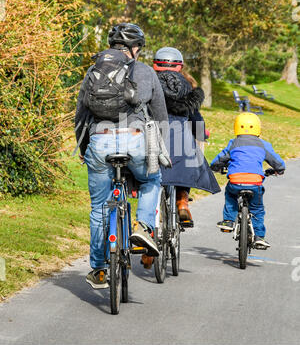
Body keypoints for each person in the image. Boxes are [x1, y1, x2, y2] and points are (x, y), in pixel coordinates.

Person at [75, 23, 169, 288]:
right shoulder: (146, 71)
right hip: (136, 140)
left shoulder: (93, 71)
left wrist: (85, 150)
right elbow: (160, 115)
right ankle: (144, 227)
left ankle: (100, 268)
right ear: (135, 48)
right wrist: (161, 149)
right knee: (152, 180)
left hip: (99, 141)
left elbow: (81, 115)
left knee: (99, 207)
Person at [153, 47, 221, 224]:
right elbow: (196, 118)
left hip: (153, 137)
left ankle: (147, 220)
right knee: (189, 160)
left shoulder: (148, 82)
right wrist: (200, 140)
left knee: (149, 178)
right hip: (179, 138)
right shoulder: (187, 85)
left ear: (155, 65)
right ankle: (182, 201)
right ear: (180, 67)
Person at [210, 112, 285, 248]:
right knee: (257, 209)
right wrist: (279, 170)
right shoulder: (263, 144)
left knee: (230, 195)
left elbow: (220, 159)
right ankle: (259, 236)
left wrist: (216, 167)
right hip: (255, 182)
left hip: (235, 180)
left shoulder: (233, 143)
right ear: (258, 128)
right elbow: (278, 162)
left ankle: (228, 221)